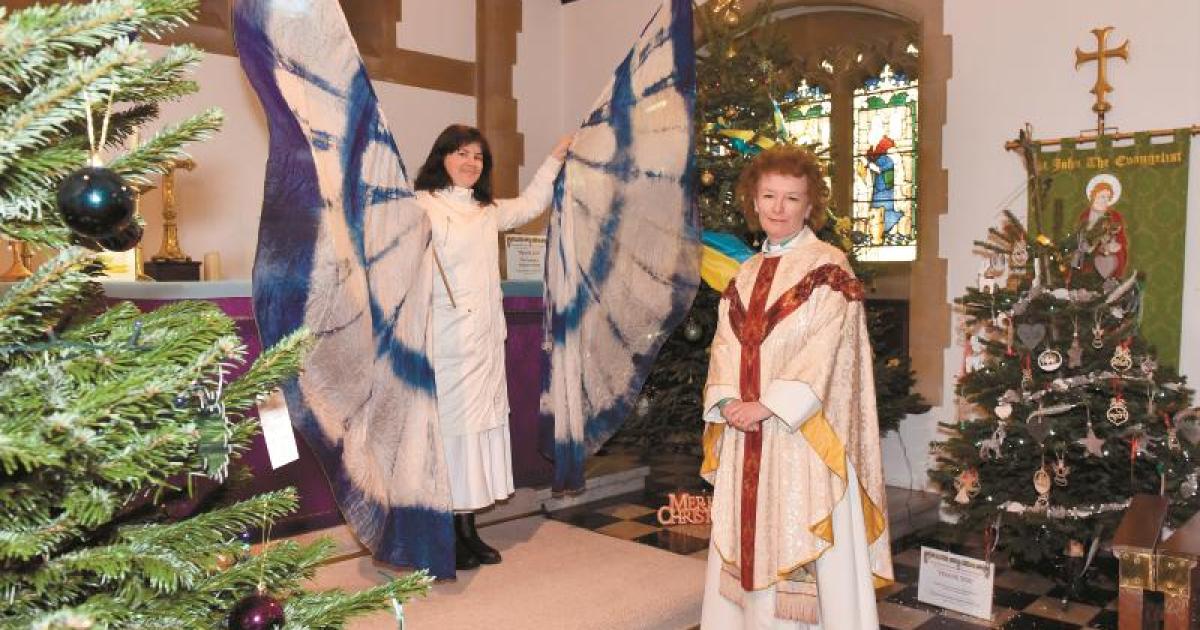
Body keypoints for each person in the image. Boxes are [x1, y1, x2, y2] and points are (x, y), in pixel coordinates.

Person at [699, 146, 893, 629]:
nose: (778, 208)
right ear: (753, 200)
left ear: (810, 206)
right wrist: (727, 402)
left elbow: (828, 350)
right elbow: (724, 343)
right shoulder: (743, 274)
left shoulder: (829, 267)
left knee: (806, 543)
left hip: (802, 436)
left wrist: (769, 405)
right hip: (746, 432)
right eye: (769, 196)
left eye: (791, 198)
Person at [413, 125, 572, 571]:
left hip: (484, 345)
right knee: (450, 438)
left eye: (478, 157)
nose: (470, 163)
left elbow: (533, 203)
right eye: (461, 153)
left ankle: (467, 527)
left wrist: (555, 157)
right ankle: (443, 529)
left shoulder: (486, 210)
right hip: (443, 343)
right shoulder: (421, 206)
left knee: (476, 434)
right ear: (441, 157)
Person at [1073, 174, 1128, 280]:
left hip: (1109, 252)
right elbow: (1081, 237)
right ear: (1094, 195)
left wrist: (1115, 246)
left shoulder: (1115, 216)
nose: (1105, 200)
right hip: (1089, 250)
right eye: (1102, 196)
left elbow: (1121, 238)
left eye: (1108, 197)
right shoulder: (1085, 215)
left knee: (1112, 259)